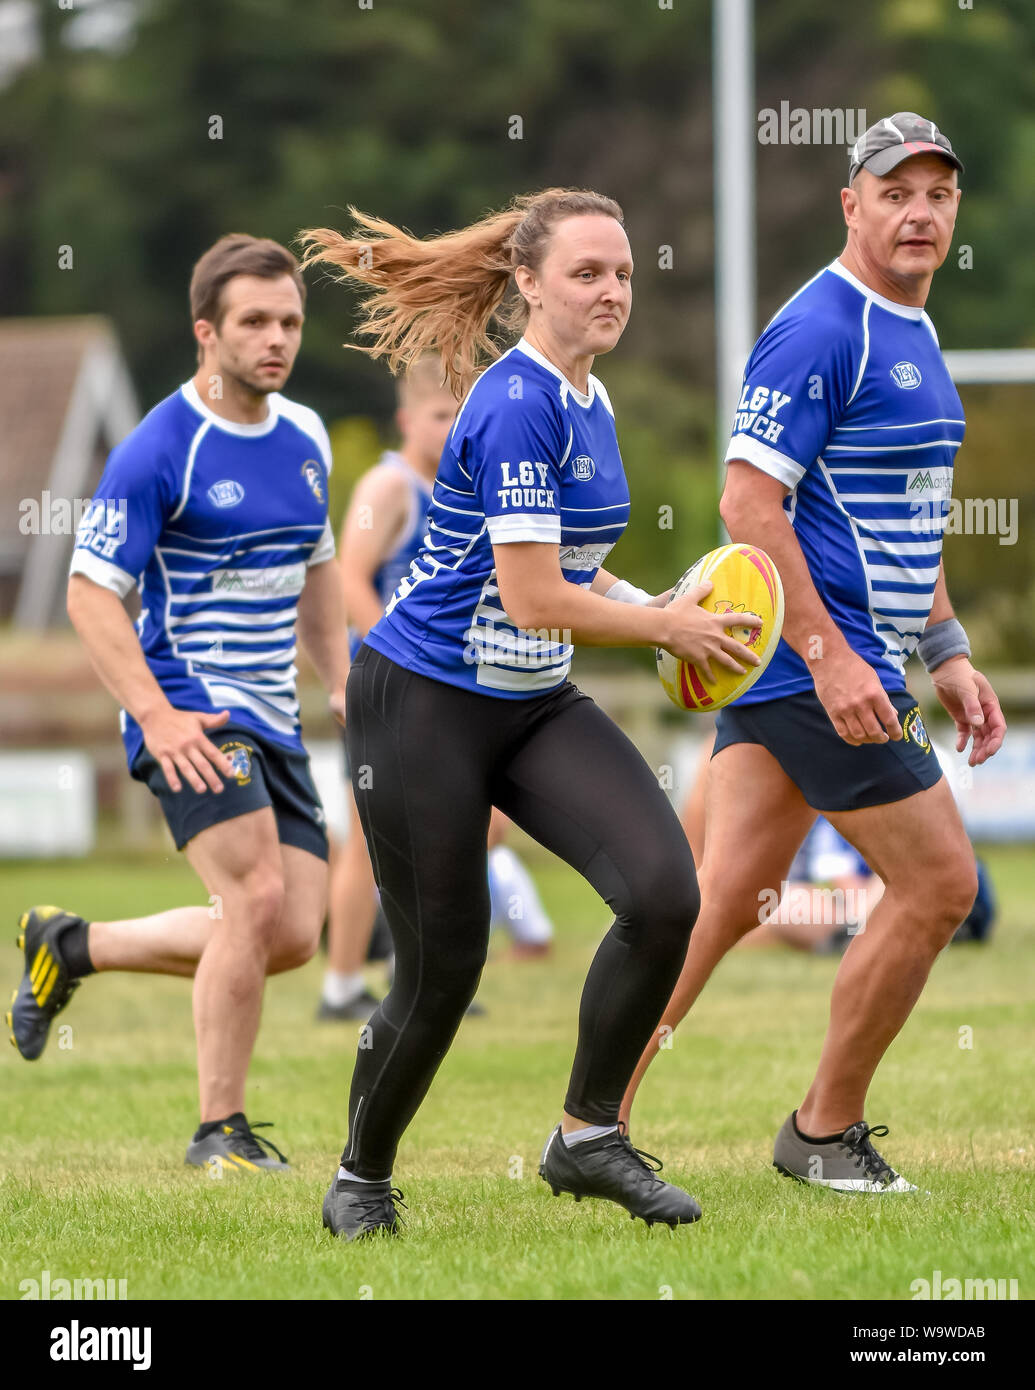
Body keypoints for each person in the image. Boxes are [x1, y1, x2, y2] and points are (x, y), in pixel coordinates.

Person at [298, 187, 760, 1238]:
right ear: (528, 284)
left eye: (625, 273)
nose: (612, 291)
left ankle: (587, 1139)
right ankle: (360, 1176)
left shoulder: (589, 399)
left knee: (661, 893)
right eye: (587, 273)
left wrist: (665, 605)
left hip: (528, 699)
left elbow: (576, 571)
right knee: (445, 965)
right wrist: (665, 633)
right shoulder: (516, 402)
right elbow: (532, 596)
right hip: (420, 702)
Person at [620, 114, 1006, 1192]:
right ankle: (823, 1134)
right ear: (852, 204)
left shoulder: (916, 330)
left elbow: (907, 519)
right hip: (810, 666)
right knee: (938, 885)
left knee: (720, 901)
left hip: (841, 659)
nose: (919, 211)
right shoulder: (821, 327)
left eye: (937, 192)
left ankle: (589, 1122)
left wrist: (948, 648)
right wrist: (834, 659)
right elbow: (749, 503)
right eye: (896, 192)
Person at [6, 234, 349, 1173]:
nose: (276, 339)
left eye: (289, 322)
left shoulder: (309, 435)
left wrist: (344, 679)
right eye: (254, 322)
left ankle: (70, 945)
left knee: (289, 935)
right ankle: (217, 1133)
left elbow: (317, 577)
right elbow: (86, 592)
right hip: (190, 705)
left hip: (275, 718)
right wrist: (154, 715)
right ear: (206, 331)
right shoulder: (159, 447)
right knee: (254, 894)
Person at [317, 358, 551, 1022]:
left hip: (450, 694)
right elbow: (348, 578)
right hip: (389, 688)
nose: (452, 431)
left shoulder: (469, 485)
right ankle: (340, 988)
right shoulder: (389, 486)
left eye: (461, 417)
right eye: (439, 417)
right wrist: (385, 662)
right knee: (371, 840)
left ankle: (410, 976)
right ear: (406, 420)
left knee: (463, 831)